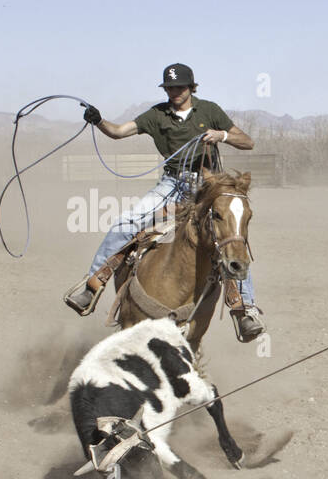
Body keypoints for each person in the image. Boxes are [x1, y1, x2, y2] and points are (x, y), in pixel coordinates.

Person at [65, 63, 265, 342]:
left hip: (208, 186)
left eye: (179, 87)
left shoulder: (209, 110)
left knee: (231, 239)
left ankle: (245, 310)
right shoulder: (157, 115)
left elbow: (248, 142)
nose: (174, 92)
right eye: (169, 87)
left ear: (191, 87)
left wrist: (222, 135)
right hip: (172, 184)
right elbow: (119, 131)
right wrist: (99, 121)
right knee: (126, 223)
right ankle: (92, 285)